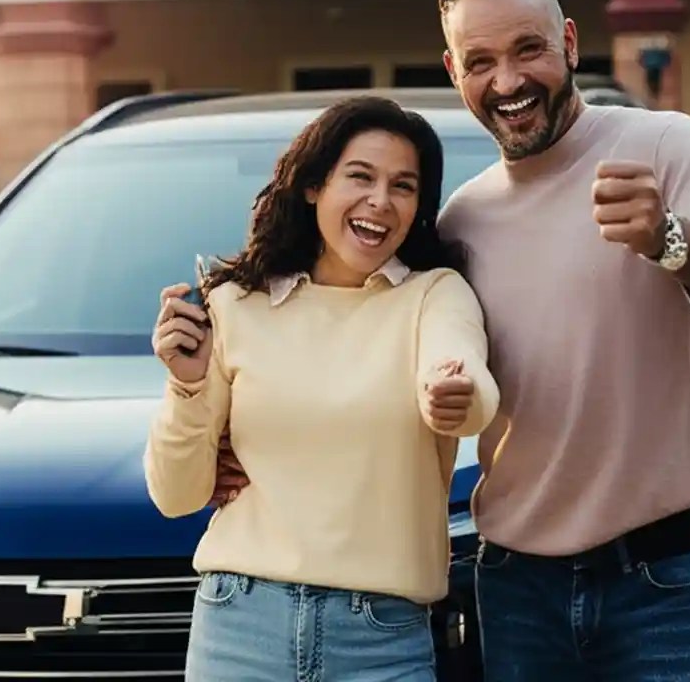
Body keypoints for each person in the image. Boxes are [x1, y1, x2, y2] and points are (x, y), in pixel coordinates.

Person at [434, 0, 690, 680]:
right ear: (454, 70)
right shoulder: (459, 221)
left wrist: (672, 240)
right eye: (481, 61)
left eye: (528, 49)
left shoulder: (666, 146)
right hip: (516, 590)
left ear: (569, 43)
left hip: (671, 582)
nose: (507, 82)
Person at [144, 95, 501, 681]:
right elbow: (175, 497)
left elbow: (464, 377)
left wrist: (454, 394)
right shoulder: (234, 305)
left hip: (381, 637)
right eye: (360, 176)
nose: (380, 202)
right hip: (238, 623)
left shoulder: (434, 295)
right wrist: (186, 386)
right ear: (313, 185)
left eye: (403, 186)